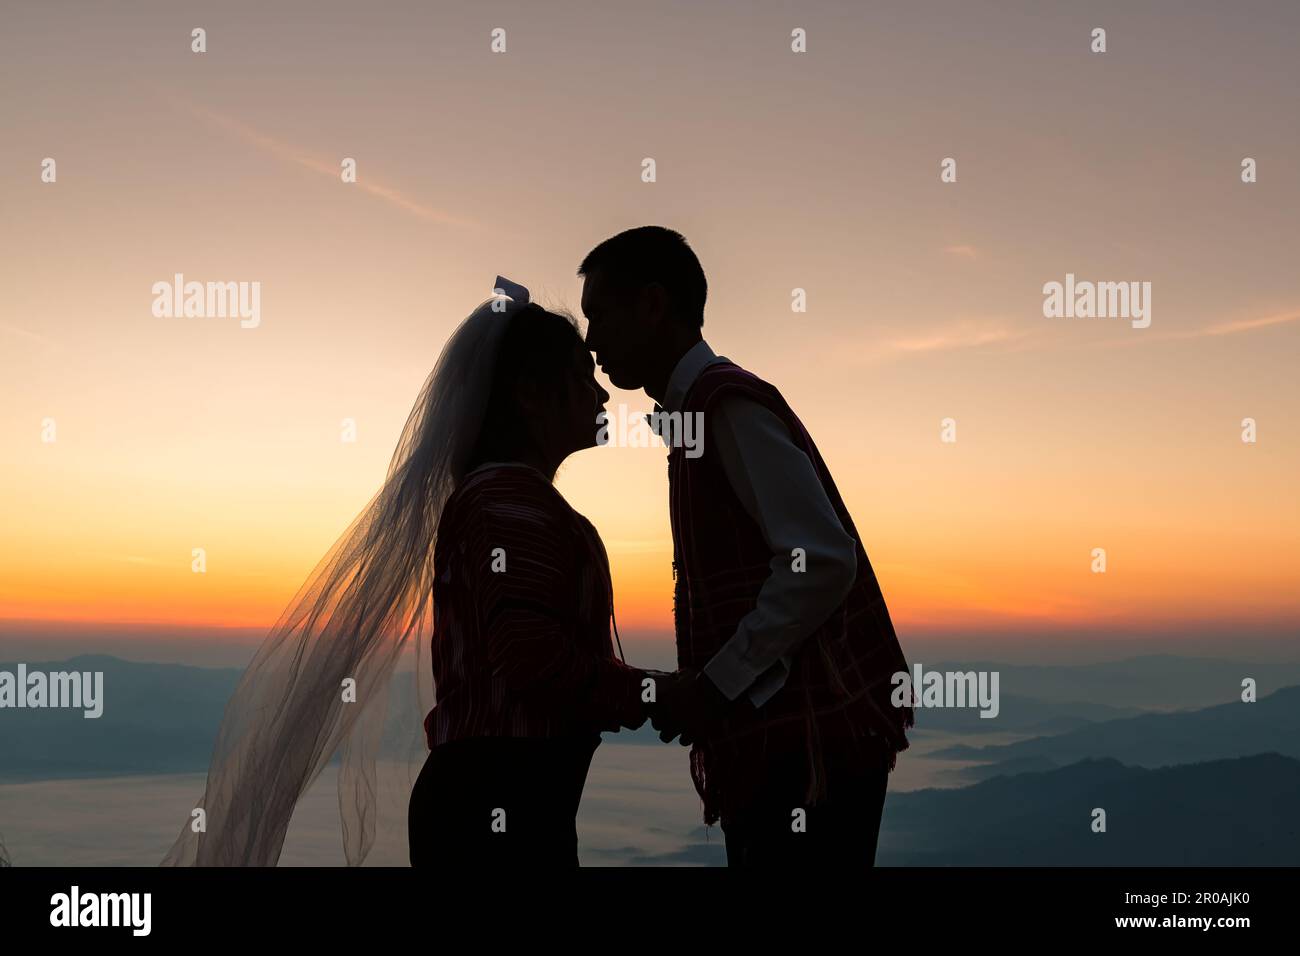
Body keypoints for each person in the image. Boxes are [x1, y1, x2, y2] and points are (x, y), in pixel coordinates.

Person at [162, 278, 649, 867]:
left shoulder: (500, 495)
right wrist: (655, 695)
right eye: (581, 379)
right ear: (529, 394)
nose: (602, 397)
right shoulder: (508, 500)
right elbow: (529, 655)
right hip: (503, 812)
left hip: (493, 804)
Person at [580, 228, 915, 867]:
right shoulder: (704, 411)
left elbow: (820, 560)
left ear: (653, 304)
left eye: (599, 314)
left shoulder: (723, 405)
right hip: (797, 741)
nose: (591, 341)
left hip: (807, 747)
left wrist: (715, 686)